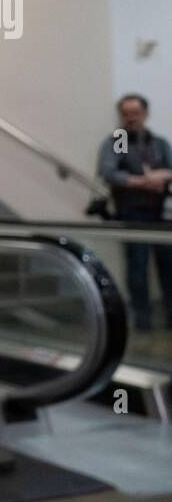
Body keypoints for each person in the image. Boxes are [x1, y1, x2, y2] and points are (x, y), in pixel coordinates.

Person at [97, 94, 172, 331]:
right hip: (134, 211)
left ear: (145, 114)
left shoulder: (157, 142)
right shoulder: (120, 139)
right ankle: (143, 321)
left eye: (135, 113)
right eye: (126, 113)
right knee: (137, 267)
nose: (131, 118)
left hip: (162, 212)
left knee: (168, 267)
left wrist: (162, 176)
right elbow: (110, 172)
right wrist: (142, 181)